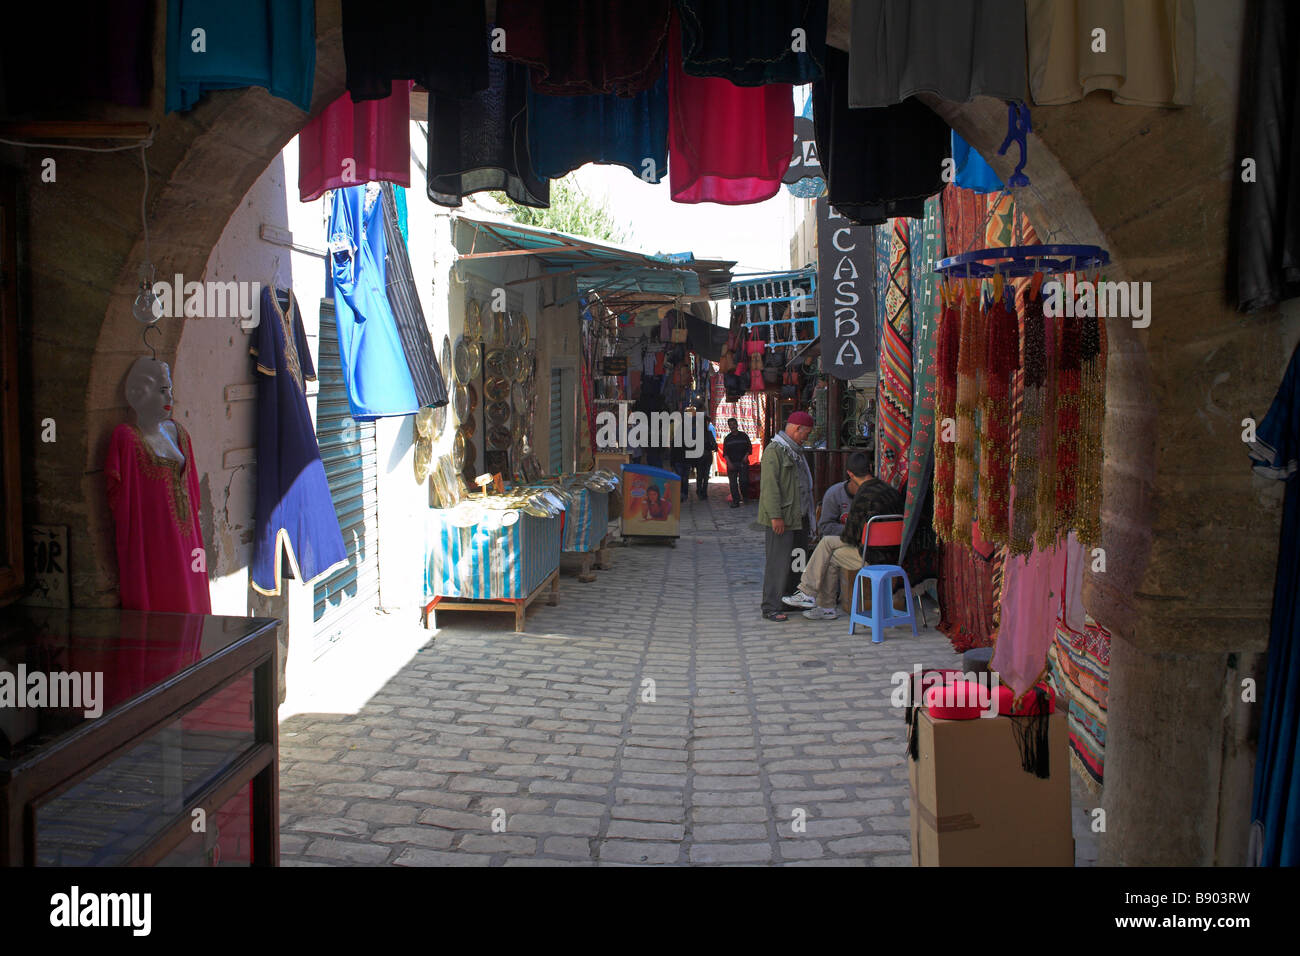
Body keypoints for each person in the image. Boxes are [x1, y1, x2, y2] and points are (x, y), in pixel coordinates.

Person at [782, 458, 905, 620]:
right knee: (828, 553)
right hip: (895, 553)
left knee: (827, 547)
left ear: (850, 474)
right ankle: (822, 604)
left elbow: (851, 536)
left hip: (874, 556)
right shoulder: (891, 490)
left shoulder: (864, 495)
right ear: (870, 468)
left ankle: (810, 593)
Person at [757, 410, 816, 622]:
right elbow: (770, 487)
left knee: (797, 561)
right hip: (783, 518)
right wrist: (775, 516)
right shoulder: (775, 451)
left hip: (799, 517)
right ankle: (771, 606)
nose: (806, 437)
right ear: (795, 429)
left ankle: (791, 599)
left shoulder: (796, 451)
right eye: (805, 433)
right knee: (778, 562)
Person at [817, 451, 872, 539]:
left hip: (869, 542)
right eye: (860, 477)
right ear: (850, 474)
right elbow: (825, 527)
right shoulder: (834, 493)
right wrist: (855, 530)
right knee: (827, 542)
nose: (864, 483)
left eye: (866, 477)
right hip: (844, 539)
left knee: (826, 544)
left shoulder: (876, 493)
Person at [723, 417, 753, 507]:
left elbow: (749, 448)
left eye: (733, 424)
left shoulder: (744, 436)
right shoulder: (727, 438)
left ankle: (745, 497)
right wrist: (729, 463)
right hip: (732, 463)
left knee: (744, 481)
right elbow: (725, 453)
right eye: (730, 425)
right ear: (729, 426)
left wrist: (746, 456)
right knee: (733, 483)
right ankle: (736, 501)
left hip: (743, 463)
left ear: (737, 425)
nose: (732, 426)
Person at [692, 414, 718, 500]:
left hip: (703, 457)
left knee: (703, 475)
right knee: (703, 475)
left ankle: (702, 491)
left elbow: (714, 446)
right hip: (703, 457)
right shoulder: (703, 433)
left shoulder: (704, 433)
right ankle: (701, 491)